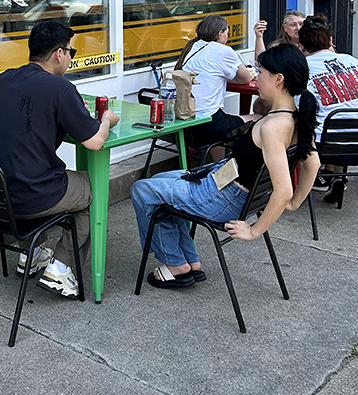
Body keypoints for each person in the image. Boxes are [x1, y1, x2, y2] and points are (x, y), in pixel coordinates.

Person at [131, 43, 320, 288]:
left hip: (223, 198)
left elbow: (283, 190)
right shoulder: (295, 117)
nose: (256, 76)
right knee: (159, 184)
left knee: (142, 190)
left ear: (278, 79)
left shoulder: (273, 127)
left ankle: (175, 263)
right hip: (222, 185)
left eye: (260, 71)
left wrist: (253, 231)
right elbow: (313, 163)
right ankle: (189, 261)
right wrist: (295, 203)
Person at [0, 20, 120, 298]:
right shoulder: (60, 88)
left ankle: (32, 255)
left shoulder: (4, 79)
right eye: (71, 52)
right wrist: (106, 119)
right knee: (92, 191)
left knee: (28, 171)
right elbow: (94, 142)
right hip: (27, 196)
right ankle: (61, 267)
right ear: (59, 54)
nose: (70, 58)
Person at [298, 15, 358, 204]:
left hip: (326, 149)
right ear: (331, 41)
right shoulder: (352, 61)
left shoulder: (302, 70)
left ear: (301, 46)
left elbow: (295, 108)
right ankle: (339, 180)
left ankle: (290, 191)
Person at [175, 14, 257, 148]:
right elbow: (246, 78)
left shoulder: (191, 47)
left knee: (217, 119)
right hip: (207, 125)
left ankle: (218, 165)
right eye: (227, 33)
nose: (227, 37)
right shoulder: (223, 50)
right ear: (220, 34)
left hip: (184, 123)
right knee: (259, 117)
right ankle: (247, 160)